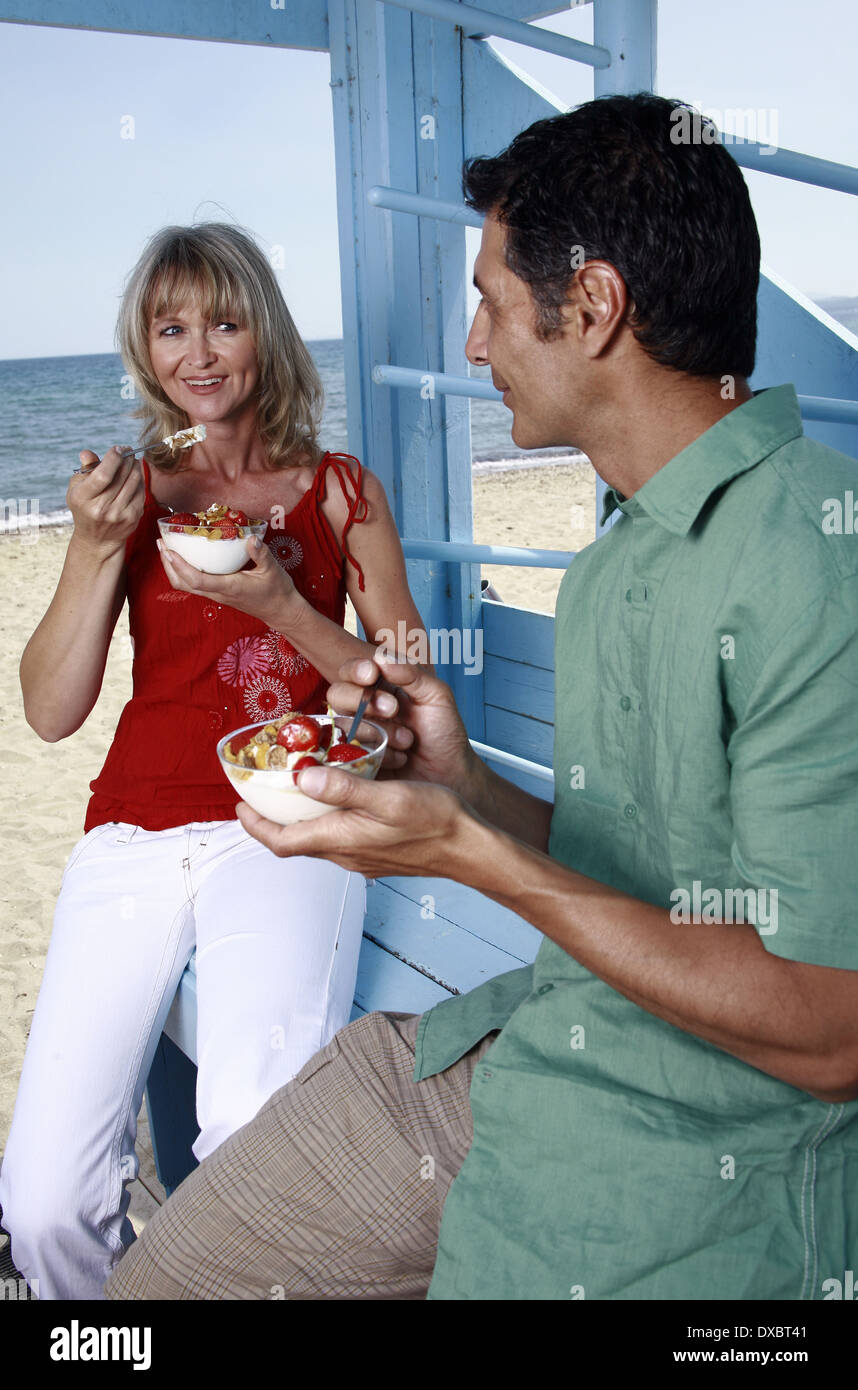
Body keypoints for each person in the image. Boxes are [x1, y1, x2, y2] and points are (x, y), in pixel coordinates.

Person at [105, 95, 858, 1302]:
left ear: (595, 308)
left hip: (674, 1147)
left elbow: (830, 1030)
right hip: (513, 1045)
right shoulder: (625, 546)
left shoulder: (818, 566)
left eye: (492, 301)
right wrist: (470, 792)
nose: (471, 343)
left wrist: (466, 854)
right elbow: (646, 876)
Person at [0, 222, 426, 1301]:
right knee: (42, 1204)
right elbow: (50, 712)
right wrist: (96, 547)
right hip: (134, 826)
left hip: (291, 819)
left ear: (263, 334)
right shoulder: (131, 497)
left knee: (248, 1139)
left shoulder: (341, 493)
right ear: (145, 348)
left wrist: (282, 605)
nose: (199, 351)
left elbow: (400, 710)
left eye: (224, 322)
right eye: (171, 326)